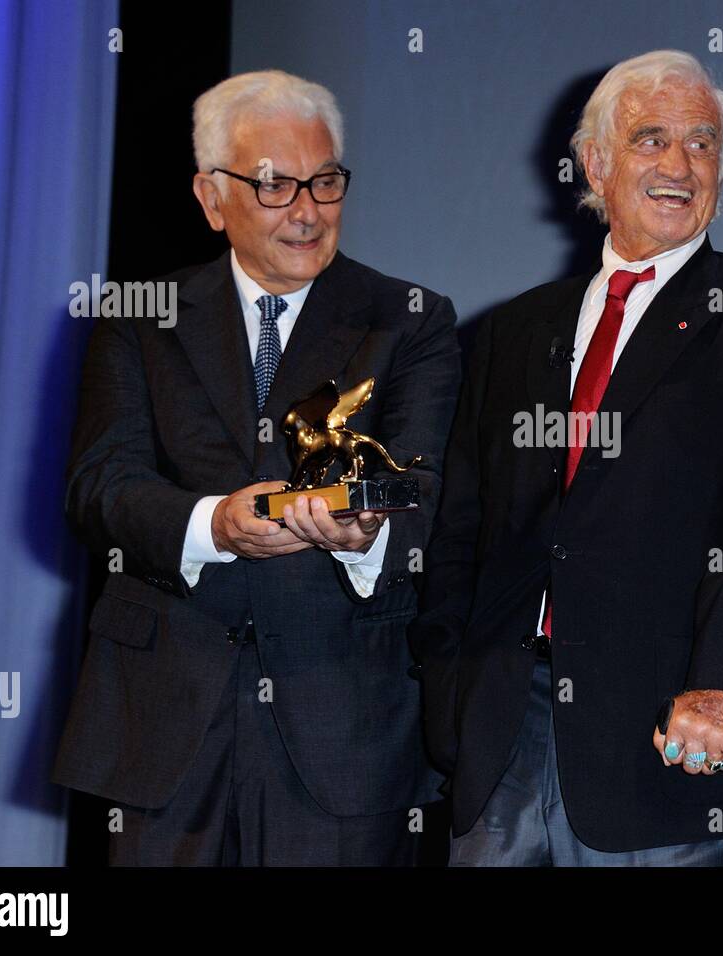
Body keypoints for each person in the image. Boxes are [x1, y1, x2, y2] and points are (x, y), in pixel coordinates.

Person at [52, 70, 461, 865]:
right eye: (274, 185)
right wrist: (216, 526)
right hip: (162, 723)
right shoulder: (142, 317)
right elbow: (98, 488)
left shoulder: (409, 319)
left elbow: (428, 491)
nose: (307, 211)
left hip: (342, 723)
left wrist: (363, 528)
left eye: (326, 181)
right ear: (211, 198)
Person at [409, 50, 723, 865]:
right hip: (500, 747)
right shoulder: (511, 332)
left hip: (668, 743)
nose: (679, 165)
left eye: (702, 145)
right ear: (595, 162)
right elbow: (460, 531)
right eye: (650, 139)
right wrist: (452, 695)